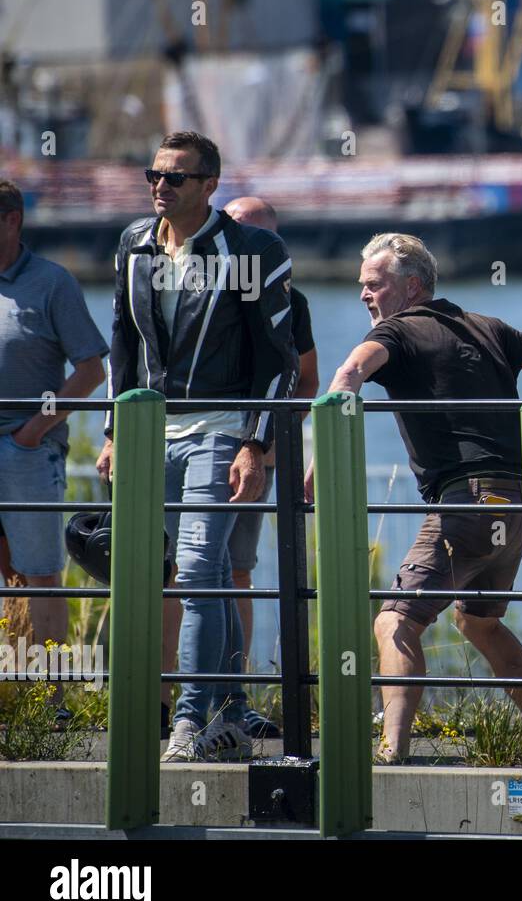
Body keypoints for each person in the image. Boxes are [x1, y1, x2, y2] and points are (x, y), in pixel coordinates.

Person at [306, 233, 522, 763]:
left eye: (374, 285)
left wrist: (317, 459)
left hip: (465, 501)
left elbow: (348, 374)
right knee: (478, 620)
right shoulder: (488, 327)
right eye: (362, 286)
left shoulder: (397, 331)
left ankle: (392, 750)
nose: (363, 295)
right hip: (516, 504)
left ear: (411, 285)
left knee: (395, 620)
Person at [98, 131, 299, 761]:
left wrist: (253, 444)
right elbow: (123, 346)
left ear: (210, 185)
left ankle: (188, 720)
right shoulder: (134, 244)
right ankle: (230, 710)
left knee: (196, 572)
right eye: (153, 174)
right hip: (151, 428)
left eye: (176, 177)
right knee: (177, 574)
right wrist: (112, 431)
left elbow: (279, 361)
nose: (161, 185)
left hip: (220, 428)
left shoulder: (250, 248)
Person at [0, 180, 108, 707]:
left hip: (25, 451)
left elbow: (91, 368)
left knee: (38, 574)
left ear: (11, 220)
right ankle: (10, 695)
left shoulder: (51, 283)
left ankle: (49, 702)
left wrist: (33, 431)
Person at [219, 196, 320, 739]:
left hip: (255, 454)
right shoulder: (193, 288)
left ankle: (233, 699)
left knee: (237, 570)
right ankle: (165, 701)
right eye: (236, 228)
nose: (247, 243)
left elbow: (307, 381)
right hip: (187, 441)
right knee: (170, 573)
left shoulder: (290, 300)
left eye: (260, 234)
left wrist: (274, 441)